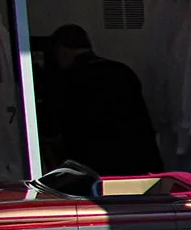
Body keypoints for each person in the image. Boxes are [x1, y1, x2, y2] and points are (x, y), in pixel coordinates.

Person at [44, 24, 162, 176]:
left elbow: (56, 127)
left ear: (62, 50)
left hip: (95, 169)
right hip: (138, 162)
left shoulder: (68, 79)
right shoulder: (123, 71)